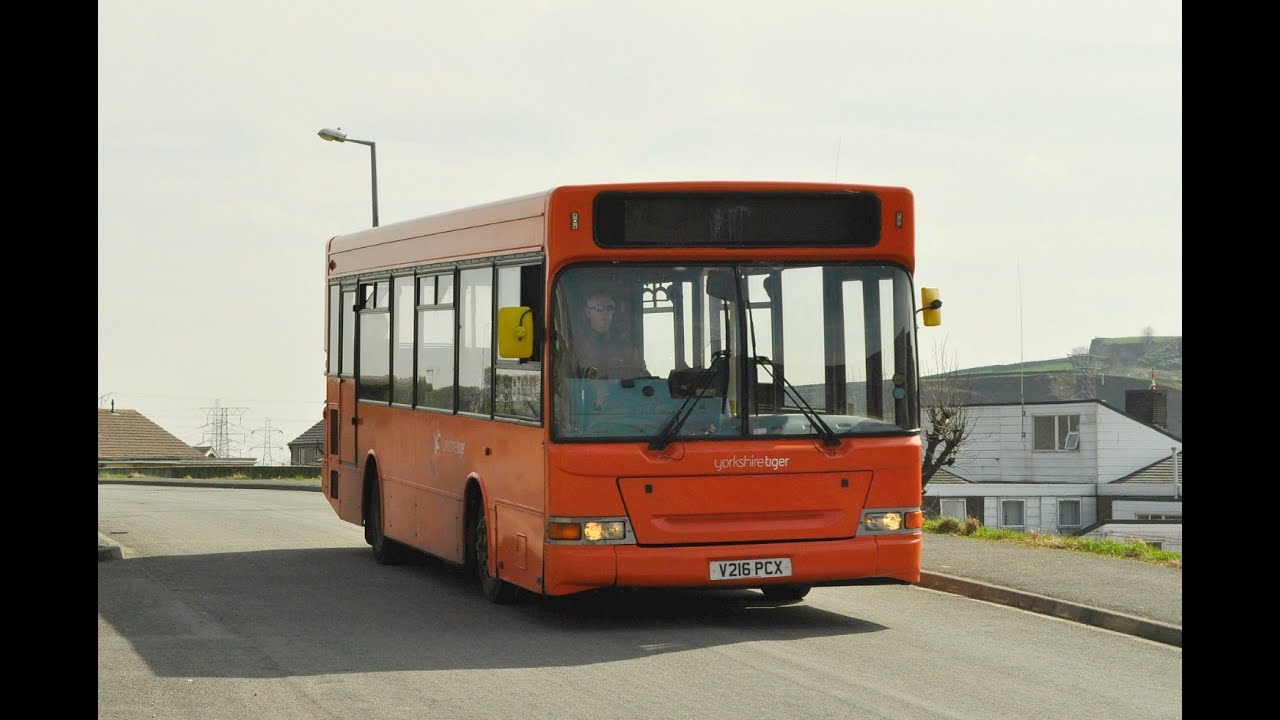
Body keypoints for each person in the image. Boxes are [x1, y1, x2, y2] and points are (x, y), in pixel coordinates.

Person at [575, 288, 649, 379]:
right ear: (588, 313)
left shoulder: (625, 347)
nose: (605, 312)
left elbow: (643, 376)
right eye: (600, 308)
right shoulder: (576, 346)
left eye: (609, 308)